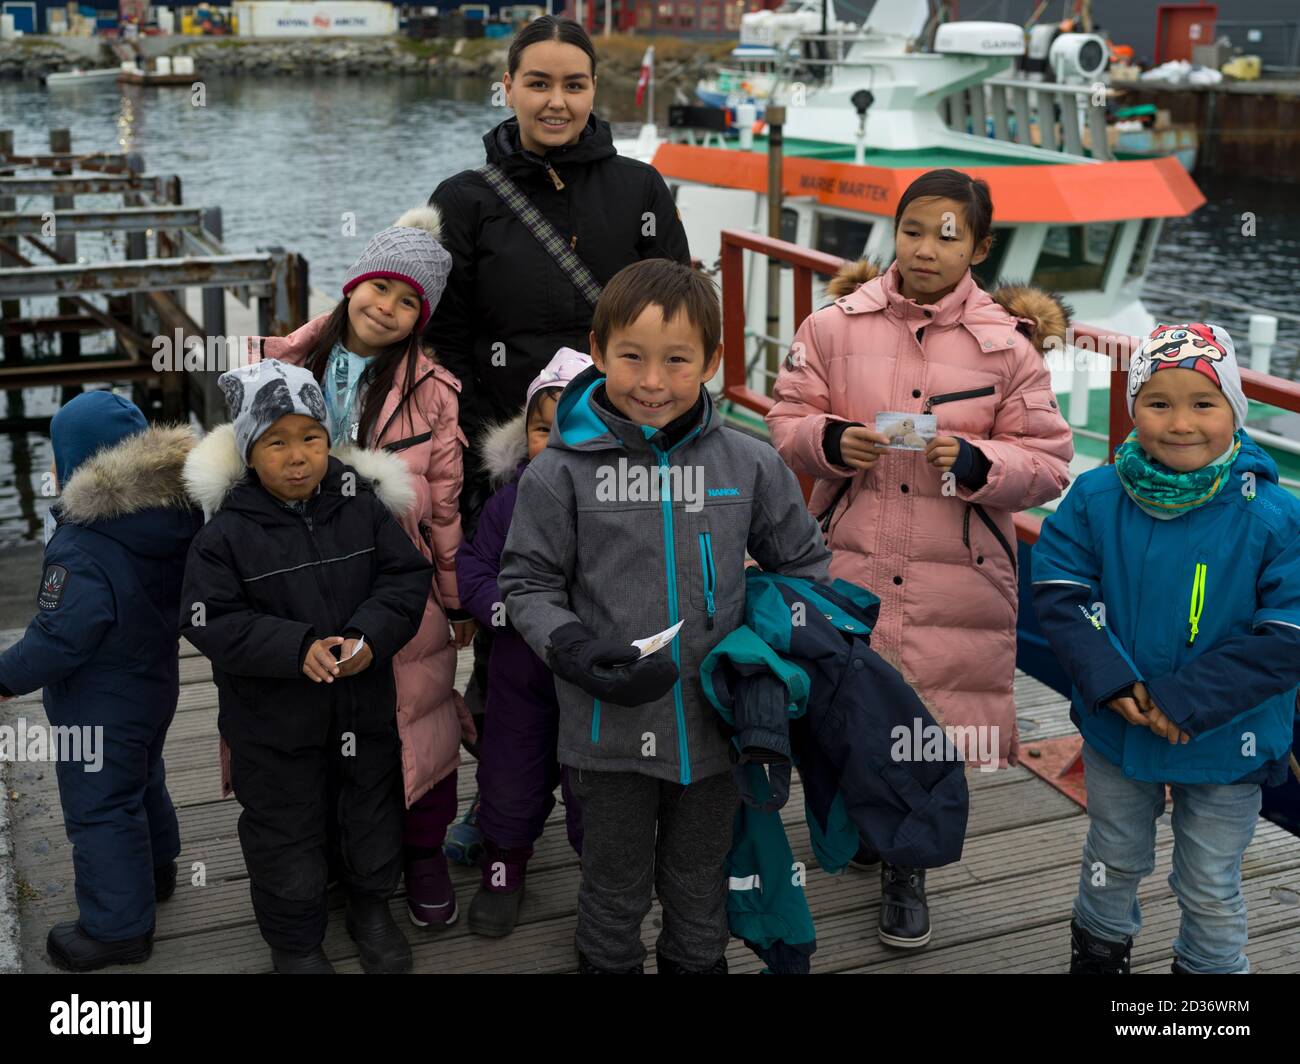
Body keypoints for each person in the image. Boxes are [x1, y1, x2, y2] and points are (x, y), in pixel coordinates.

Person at [766, 167, 1074, 948]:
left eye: (947, 235)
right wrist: (831, 441)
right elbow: (785, 419)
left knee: (930, 724)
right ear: (893, 232)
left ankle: (910, 866)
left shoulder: (1008, 346)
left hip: (956, 575)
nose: (926, 249)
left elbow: (1048, 462)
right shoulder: (833, 326)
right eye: (912, 230)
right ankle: (861, 823)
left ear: (978, 245)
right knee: (848, 704)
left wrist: (977, 464)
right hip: (849, 556)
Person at [500, 259, 831, 974]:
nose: (653, 381)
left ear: (712, 361)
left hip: (718, 731)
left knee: (699, 879)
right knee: (613, 885)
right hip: (607, 732)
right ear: (598, 349)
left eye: (678, 361)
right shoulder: (557, 473)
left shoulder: (749, 463)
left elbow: (804, 567)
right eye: (632, 357)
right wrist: (575, 651)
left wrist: (767, 661)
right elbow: (525, 584)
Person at [427, 15, 691, 850]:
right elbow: (446, 343)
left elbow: (677, 311)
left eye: (573, 84)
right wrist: (479, 460)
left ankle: (618, 791)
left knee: (621, 611)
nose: (556, 100)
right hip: (511, 458)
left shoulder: (641, 190)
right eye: (537, 82)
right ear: (505, 87)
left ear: (593, 92)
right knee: (509, 632)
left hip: (622, 447)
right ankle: (500, 802)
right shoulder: (465, 199)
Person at [1033, 322, 1300, 975]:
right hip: (1116, 730)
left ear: (1235, 411)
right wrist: (1115, 682)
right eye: (1158, 402)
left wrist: (1184, 700)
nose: (1181, 423)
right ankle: (1097, 959)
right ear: (1134, 411)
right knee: (1111, 859)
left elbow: (1288, 633)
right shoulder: (1096, 497)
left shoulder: (1274, 514)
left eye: (1203, 403)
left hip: (1227, 744)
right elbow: (1061, 590)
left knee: (1210, 882)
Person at [240, 207, 475, 931]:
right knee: (324, 722)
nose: (389, 308)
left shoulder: (433, 390)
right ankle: (344, 858)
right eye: (380, 287)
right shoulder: (280, 365)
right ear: (352, 285)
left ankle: (423, 850)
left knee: (416, 715)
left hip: (393, 577)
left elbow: (442, 500)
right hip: (297, 574)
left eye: (410, 302)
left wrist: (453, 593)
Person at [181, 360, 432, 974]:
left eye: (311, 438)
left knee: (369, 807)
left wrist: (369, 636)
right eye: (276, 442)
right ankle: (295, 940)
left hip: (361, 709)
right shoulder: (225, 534)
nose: (298, 457)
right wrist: (294, 648)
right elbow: (204, 617)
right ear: (247, 450)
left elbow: (405, 576)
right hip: (271, 727)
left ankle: (370, 906)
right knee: (283, 829)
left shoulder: (361, 506)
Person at [0, 393, 202, 971]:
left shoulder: (82, 544)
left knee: (100, 807)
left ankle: (117, 928)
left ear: (74, 467)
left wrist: (5, 677)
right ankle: (158, 869)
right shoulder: (175, 515)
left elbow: (59, 638)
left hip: (98, 703)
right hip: (154, 685)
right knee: (142, 779)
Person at [454, 347, 591, 937]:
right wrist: (501, 610)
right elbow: (476, 565)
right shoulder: (509, 500)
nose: (557, 441)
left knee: (596, 789)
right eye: (542, 428)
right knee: (509, 775)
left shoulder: (621, 501)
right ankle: (503, 870)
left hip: (593, 679)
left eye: (575, 426)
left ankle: (605, 883)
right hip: (520, 671)